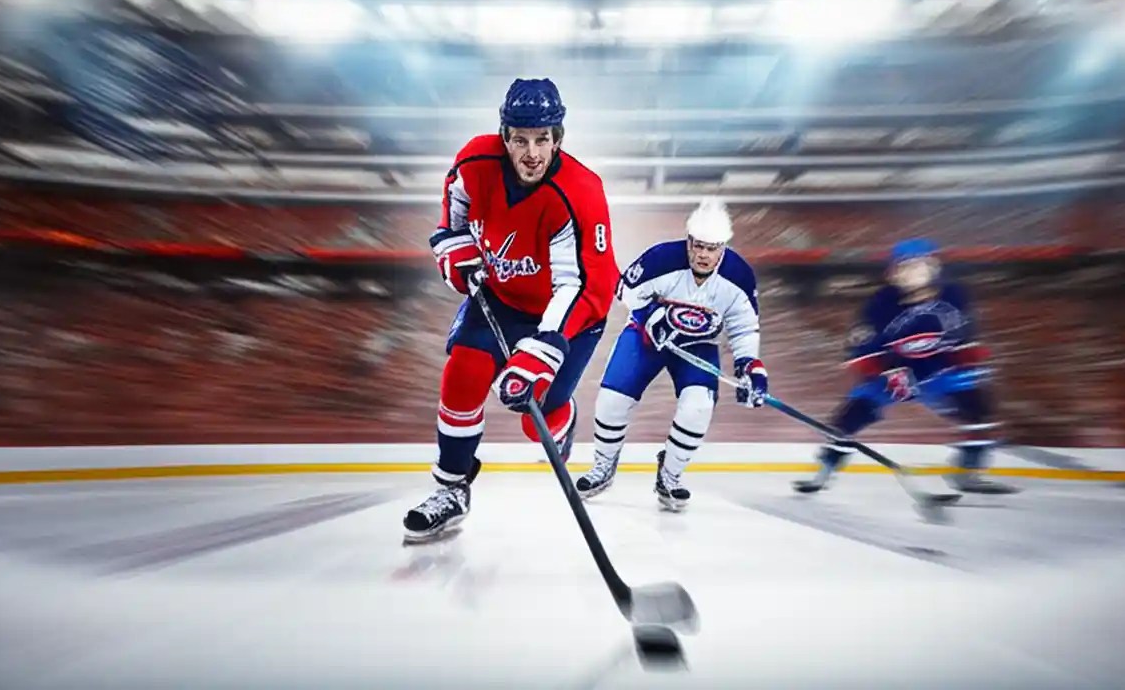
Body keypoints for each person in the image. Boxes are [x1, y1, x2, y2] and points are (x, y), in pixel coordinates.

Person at [404, 78, 620, 541]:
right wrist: (452, 250)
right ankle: (451, 488)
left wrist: (543, 347)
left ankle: (560, 420)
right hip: (501, 300)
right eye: (520, 139)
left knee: (534, 416)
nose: (531, 153)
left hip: (571, 317)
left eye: (543, 139)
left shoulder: (580, 193)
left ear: (558, 138)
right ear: (504, 137)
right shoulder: (473, 162)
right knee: (461, 376)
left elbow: (585, 287)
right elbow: (452, 220)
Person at [575, 198, 769, 511]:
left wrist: (751, 367)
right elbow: (625, 289)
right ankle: (603, 466)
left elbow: (743, 327)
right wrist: (653, 315)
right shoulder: (661, 257)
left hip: (698, 345)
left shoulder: (740, 276)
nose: (704, 255)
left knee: (698, 407)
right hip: (646, 338)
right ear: (688, 240)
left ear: (723, 247)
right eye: (698, 246)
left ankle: (671, 475)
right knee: (612, 399)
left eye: (712, 248)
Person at [794, 238, 1019, 495]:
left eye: (919, 267)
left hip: (938, 370)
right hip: (892, 372)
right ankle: (824, 470)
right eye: (904, 268)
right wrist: (886, 372)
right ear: (894, 273)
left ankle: (969, 472)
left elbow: (965, 338)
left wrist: (969, 364)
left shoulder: (955, 295)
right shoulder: (880, 304)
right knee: (850, 418)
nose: (912, 273)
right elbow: (860, 351)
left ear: (934, 268)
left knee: (978, 409)